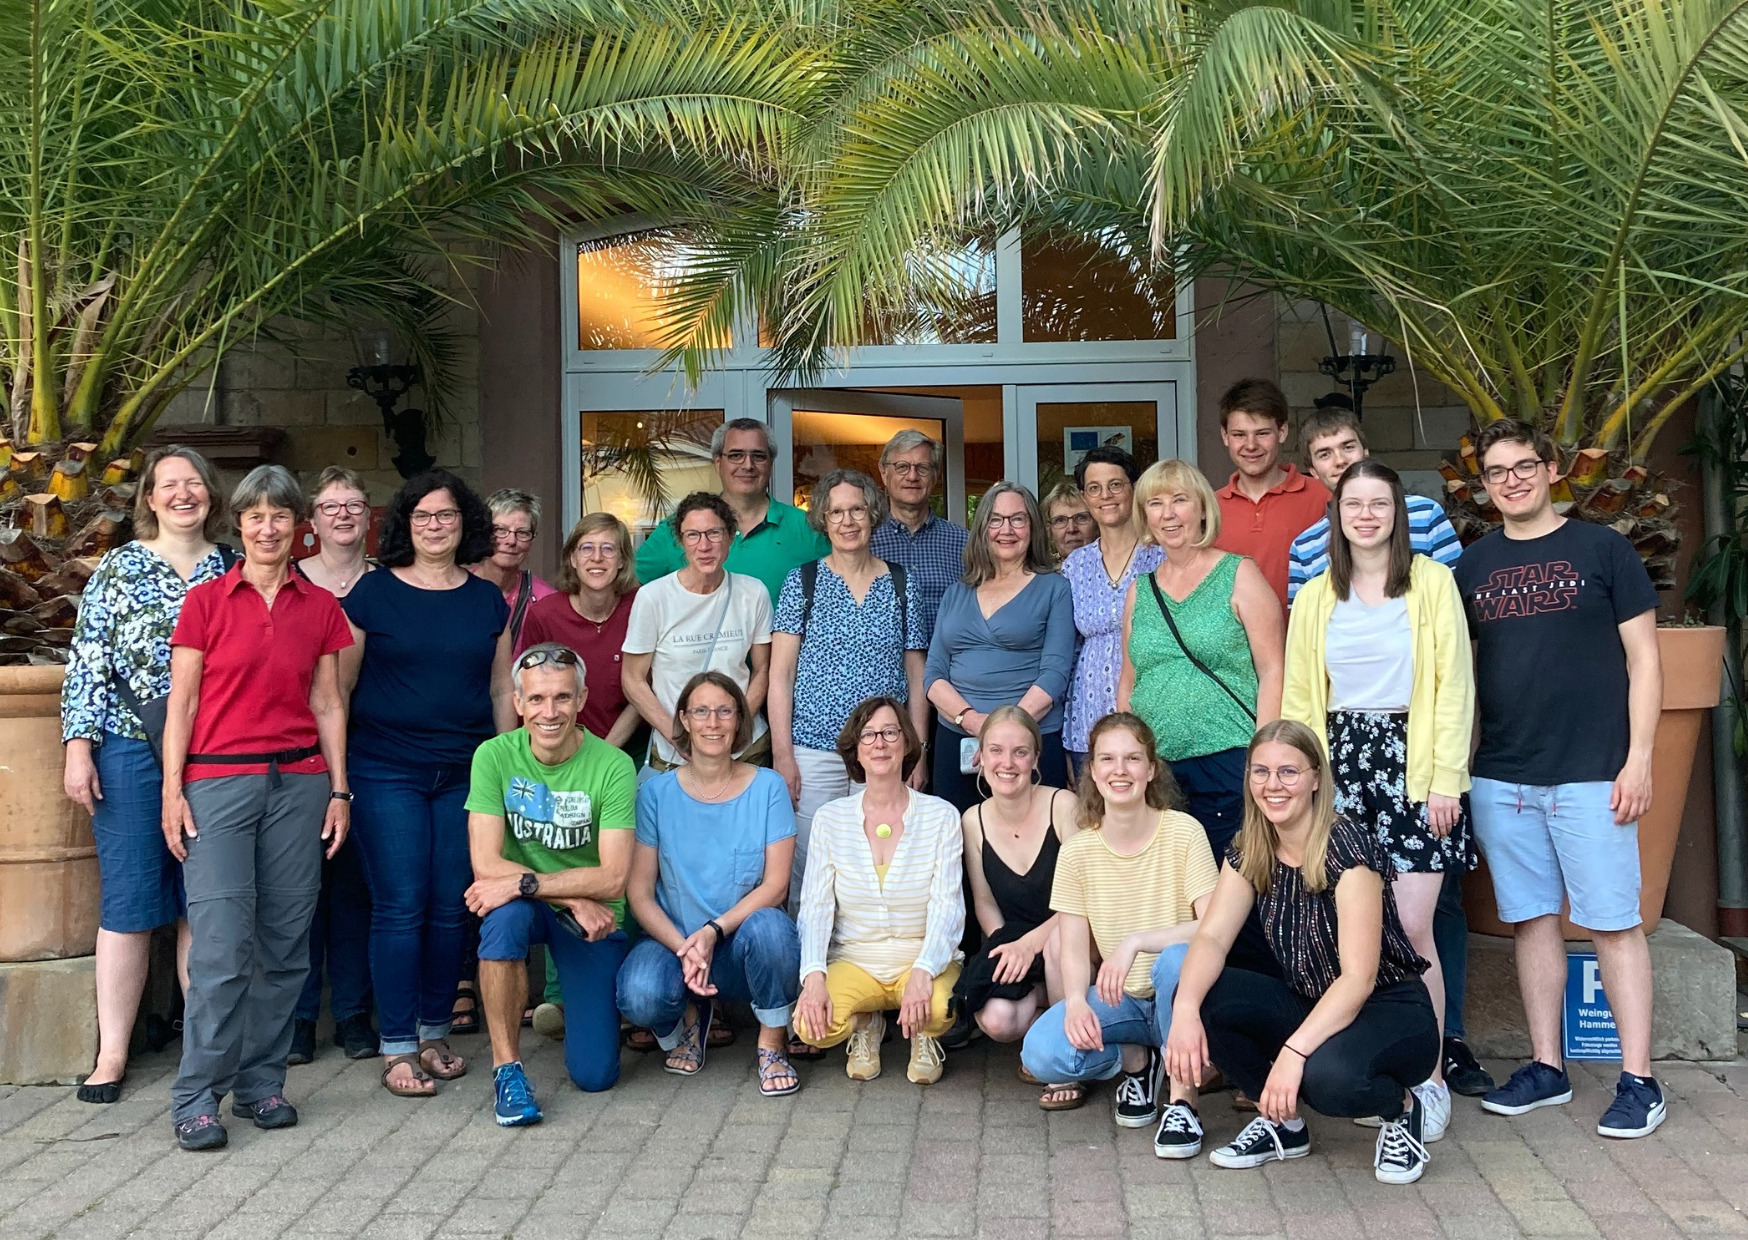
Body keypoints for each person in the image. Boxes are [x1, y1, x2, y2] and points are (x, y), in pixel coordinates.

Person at [1455, 419, 1665, 1139]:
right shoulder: (1472, 567)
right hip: (1503, 776)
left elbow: (1645, 660)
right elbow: (1464, 681)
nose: (1511, 480)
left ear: (1551, 470)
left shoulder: (1604, 549)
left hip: (1592, 773)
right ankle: (1547, 1066)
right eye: (1496, 472)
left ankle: (1639, 1079)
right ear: (1484, 486)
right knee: (1531, 920)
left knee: (1613, 923)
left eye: (1523, 466)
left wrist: (1639, 758)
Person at [1282, 410, 1487, 1096]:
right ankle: (1372, 1065)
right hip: (1341, 764)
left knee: (1412, 927)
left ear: (1398, 514)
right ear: (1335, 513)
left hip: (1415, 764)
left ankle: (1429, 1077)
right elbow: (1301, 698)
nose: (1365, 516)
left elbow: (1454, 685)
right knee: (1353, 928)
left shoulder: (1430, 582)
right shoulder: (1317, 594)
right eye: (1353, 505)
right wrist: (1303, 785)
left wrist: (1446, 779)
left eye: (1379, 504)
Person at [159, 466, 353, 1150]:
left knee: (284, 946)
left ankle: (261, 1084)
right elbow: (182, 703)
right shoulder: (206, 602)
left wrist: (339, 790)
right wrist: (172, 790)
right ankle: (196, 1096)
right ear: (237, 525)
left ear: (299, 527)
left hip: (300, 785)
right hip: (217, 784)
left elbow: (328, 702)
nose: (267, 529)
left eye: (279, 517)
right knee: (220, 948)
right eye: (255, 517)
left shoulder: (320, 606)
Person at [1165, 721, 1441, 1185]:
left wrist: (1293, 1052)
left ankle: (1402, 1110)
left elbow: (1358, 978)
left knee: (1325, 1079)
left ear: (1315, 778)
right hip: (1311, 999)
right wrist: (1185, 1010)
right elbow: (1211, 938)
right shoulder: (1251, 846)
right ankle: (1283, 1124)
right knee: (1204, 995)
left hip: (1389, 1009)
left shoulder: (1347, 847)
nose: (1272, 785)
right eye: (1261, 771)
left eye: (1288, 772)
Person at [62, 446, 233, 1105]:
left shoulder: (233, 568)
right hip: (129, 750)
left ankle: (203, 1050)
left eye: (194, 483)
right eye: (170, 485)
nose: (183, 494)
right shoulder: (119, 567)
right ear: (151, 499)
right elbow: (88, 660)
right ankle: (111, 1054)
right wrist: (79, 747)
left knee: (202, 904)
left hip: (214, 751)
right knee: (130, 904)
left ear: (211, 495)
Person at [339, 468, 517, 1097]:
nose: (435, 526)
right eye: (422, 516)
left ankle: (434, 1032)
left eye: (446, 515)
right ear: (404, 525)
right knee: (400, 904)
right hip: (386, 769)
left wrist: (505, 770)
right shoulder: (372, 593)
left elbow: (502, 689)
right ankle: (396, 1045)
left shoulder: (486, 599)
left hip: (467, 772)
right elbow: (338, 690)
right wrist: (339, 781)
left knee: (450, 907)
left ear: (465, 523)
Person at [1020, 714, 1217, 1155]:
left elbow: (1213, 926)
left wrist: (1136, 941)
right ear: (1092, 771)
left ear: (1151, 769)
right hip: (1121, 1001)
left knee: (1175, 958)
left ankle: (1182, 1101)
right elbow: (1073, 949)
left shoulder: (1184, 832)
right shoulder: (1077, 851)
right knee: (1041, 1052)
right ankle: (1137, 1061)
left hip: (1180, 994)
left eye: (1132, 758)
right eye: (1107, 759)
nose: (1120, 770)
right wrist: (1075, 1001)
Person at [462, 643, 637, 1124]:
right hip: (537, 904)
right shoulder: (493, 756)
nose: (550, 711)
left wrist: (535, 886)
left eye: (562, 697)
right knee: (502, 922)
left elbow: (614, 876)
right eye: (537, 699)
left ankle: (578, 1016)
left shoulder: (613, 765)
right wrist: (574, 893)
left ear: (581, 699)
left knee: (595, 1075)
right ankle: (507, 1070)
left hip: (592, 918)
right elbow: (484, 862)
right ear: (518, 703)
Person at [616, 673, 803, 1096]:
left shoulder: (768, 786)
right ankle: (690, 1017)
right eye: (701, 711)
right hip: (675, 944)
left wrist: (712, 932)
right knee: (639, 996)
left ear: (739, 720)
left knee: (774, 930)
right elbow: (639, 894)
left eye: (724, 711)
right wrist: (686, 947)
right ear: (684, 719)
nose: (713, 722)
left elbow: (776, 887)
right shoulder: (655, 793)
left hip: (739, 947)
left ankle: (772, 1042)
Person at [770, 469, 928, 904]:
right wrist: (783, 754)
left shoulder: (902, 582)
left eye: (857, 509)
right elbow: (780, 676)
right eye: (836, 512)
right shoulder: (801, 582)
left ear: (872, 513)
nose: (847, 521)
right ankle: (807, 946)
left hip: (884, 749)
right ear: (822, 519)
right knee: (809, 865)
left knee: (877, 861)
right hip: (813, 750)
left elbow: (917, 676)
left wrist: (918, 752)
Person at [794, 698, 964, 1084]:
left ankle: (924, 1034)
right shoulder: (830, 819)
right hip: (855, 958)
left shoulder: (941, 816)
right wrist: (813, 976)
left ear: (907, 743)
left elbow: (948, 906)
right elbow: (816, 907)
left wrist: (924, 969)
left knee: (940, 1009)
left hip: (920, 957)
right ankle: (866, 1022)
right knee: (809, 1025)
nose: (880, 743)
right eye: (868, 735)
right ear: (855, 749)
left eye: (890, 732)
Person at [1119, 460, 1282, 858]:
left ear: (1203, 509)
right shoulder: (1140, 590)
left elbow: (1274, 669)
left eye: (1179, 500)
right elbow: (1129, 682)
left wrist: (1264, 758)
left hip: (1229, 761)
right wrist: (1131, 757)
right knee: (1170, 882)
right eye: (1155, 503)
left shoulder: (1239, 574)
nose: (1168, 514)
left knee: (1233, 879)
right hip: (1158, 768)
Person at [290, 466, 376, 1065]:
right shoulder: (290, 581)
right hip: (298, 751)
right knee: (299, 890)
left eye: (353, 504)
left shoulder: (388, 584)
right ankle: (298, 1018)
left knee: (352, 889)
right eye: (330, 506)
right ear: (312, 522)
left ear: (369, 517)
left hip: (370, 752)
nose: (342, 514)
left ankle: (351, 1014)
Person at [954, 708, 1079, 1106]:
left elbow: (1086, 898)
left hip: (1075, 935)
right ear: (980, 756)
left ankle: (1065, 1061)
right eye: (996, 750)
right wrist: (1009, 948)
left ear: (1035, 759)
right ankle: (1050, 1018)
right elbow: (985, 903)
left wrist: (1031, 945)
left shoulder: (1063, 806)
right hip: (1018, 941)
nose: (1006, 763)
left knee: (1059, 946)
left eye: (1019, 752)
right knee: (998, 1020)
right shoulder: (972, 820)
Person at [925, 483, 1076, 810]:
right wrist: (972, 721)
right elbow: (933, 674)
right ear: (982, 528)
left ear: (1032, 528)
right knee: (961, 835)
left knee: (1035, 836)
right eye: (996, 519)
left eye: (1018, 519)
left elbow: (1054, 674)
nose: (1006, 530)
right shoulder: (956, 593)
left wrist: (1005, 733)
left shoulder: (1055, 589)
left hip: (1028, 741)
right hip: (958, 739)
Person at [623, 492, 774, 776]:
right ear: (680, 541)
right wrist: (677, 736)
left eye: (714, 533)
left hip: (744, 749)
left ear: (730, 536)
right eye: (692, 535)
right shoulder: (653, 598)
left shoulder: (753, 593)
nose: (704, 546)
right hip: (676, 753)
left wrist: (736, 729)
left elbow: (762, 670)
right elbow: (632, 679)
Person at [634, 418, 827, 602]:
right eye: (736, 455)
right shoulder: (678, 528)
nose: (748, 465)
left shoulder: (808, 528)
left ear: (771, 463)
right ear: (718, 463)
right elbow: (626, 588)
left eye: (758, 456)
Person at [1286, 409, 1461, 605]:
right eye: (1325, 454)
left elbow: (1456, 596)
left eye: (1348, 447)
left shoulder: (1426, 514)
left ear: (1365, 452)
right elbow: (1304, 619)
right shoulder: (1304, 548)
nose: (1340, 460)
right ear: (1312, 471)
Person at [1060, 446, 1162, 781]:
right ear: (1084, 498)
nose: (1105, 496)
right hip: (1086, 713)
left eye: (1115, 485)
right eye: (1094, 488)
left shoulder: (1160, 556)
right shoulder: (1075, 565)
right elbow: (1068, 648)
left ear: (1135, 488)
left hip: (1149, 707)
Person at [516, 512, 643, 751]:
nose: (597, 557)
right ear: (573, 559)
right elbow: (532, 690)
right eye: (587, 548)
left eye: (608, 549)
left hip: (629, 749)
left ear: (622, 560)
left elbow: (644, 690)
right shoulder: (545, 615)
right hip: (562, 748)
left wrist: (604, 753)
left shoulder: (641, 607)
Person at [1211, 380, 1330, 613]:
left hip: (1309, 634)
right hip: (1235, 637)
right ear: (1225, 436)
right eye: (1239, 435)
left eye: (1262, 433)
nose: (1251, 445)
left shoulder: (1322, 496)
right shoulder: (1208, 508)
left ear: (1282, 432)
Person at [869, 429, 969, 644]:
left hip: (952, 662)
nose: (912, 476)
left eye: (922, 468)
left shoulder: (965, 543)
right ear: (884, 473)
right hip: (885, 663)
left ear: (935, 475)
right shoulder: (865, 543)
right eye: (902, 467)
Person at [471, 489, 557, 648]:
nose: (511, 541)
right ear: (483, 533)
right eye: (500, 530)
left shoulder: (546, 601)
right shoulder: (457, 590)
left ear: (531, 542)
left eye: (522, 533)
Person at [1042, 481, 1095, 564]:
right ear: (1050, 531)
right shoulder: (1042, 572)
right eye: (1060, 520)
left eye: (1081, 518)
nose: (1071, 529)